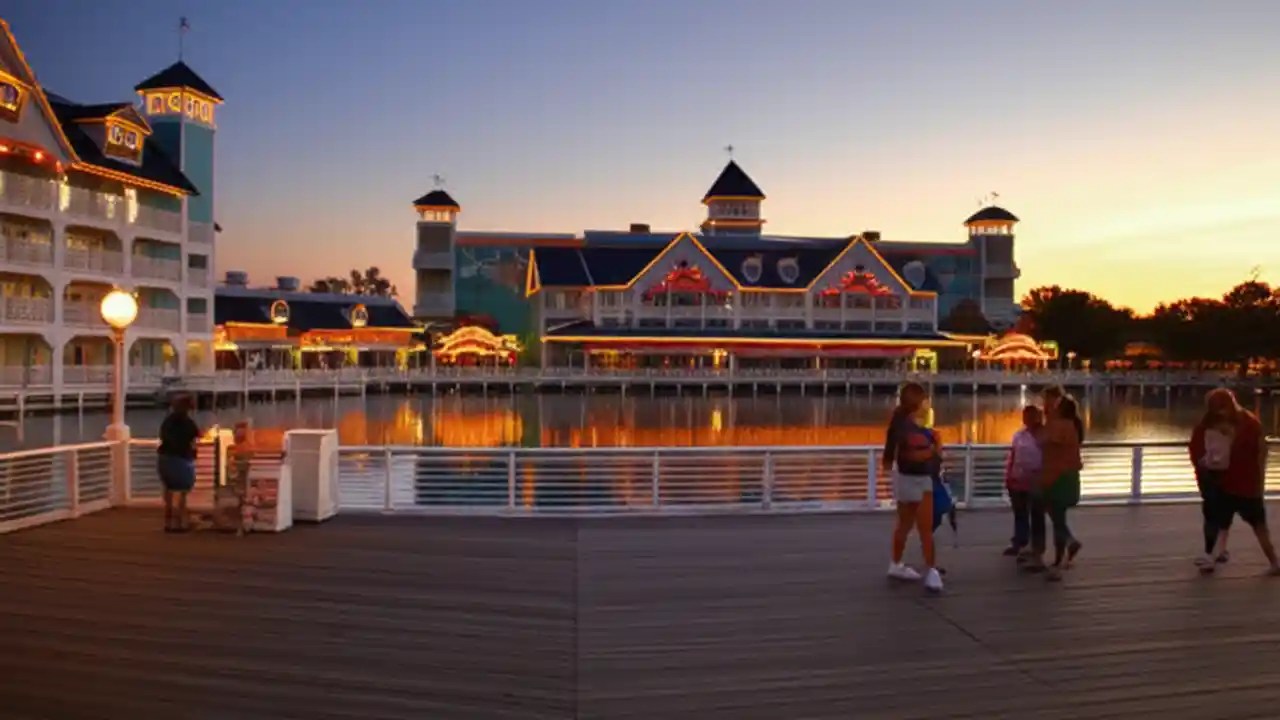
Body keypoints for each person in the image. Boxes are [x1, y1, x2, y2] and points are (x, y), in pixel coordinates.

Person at [1195, 388, 1280, 575]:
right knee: (1246, 525)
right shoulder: (1251, 423)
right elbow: (1262, 452)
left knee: (1236, 524)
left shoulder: (1227, 424)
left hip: (1236, 483)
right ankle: (1217, 555)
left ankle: (1216, 555)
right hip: (1237, 484)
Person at [882, 382, 944, 592]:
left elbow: (891, 456)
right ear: (917, 402)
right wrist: (935, 448)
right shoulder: (908, 429)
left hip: (904, 478)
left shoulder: (900, 424)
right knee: (925, 528)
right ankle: (931, 571)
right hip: (917, 478)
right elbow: (914, 454)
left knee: (905, 524)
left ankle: (896, 563)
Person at [1189, 389, 1236, 569]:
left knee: (1212, 515)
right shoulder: (1237, 424)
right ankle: (1218, 550)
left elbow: (1195, 449)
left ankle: (1211, 553)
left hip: (1211, 474)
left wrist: (1200, 466)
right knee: (1221, 514)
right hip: (1223, 474)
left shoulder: (1204, 425)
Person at [1040, 395, 1084, 581]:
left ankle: (1069, 543)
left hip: (1058, 477)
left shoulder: (1059, 427)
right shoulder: (1073, 426)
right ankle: (1059, 559)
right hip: (1070, 476)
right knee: (1058, 517)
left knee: (1056, 517)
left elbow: (1052, 448)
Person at [1004, 405, 1044, 558]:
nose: (1027, 419)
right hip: (1017, 479)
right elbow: (1013, 457)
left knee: (1036, 514)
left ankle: (1036, 547)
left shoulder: (1044, 436)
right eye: (1025, 416)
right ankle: (1019, 542)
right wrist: (1008, 476)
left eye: (1031, 416)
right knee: (1019, 513)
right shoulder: (1019, 436)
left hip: (1037, 481)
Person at [157, 394, 200, 532]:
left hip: (164, 458)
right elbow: (195, 436)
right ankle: (180, 522)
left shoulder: (167, 421)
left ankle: (169, 522)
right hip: (180, 458)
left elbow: (164, 436)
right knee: (181, 492)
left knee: (169, 491)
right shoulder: (187, 423)